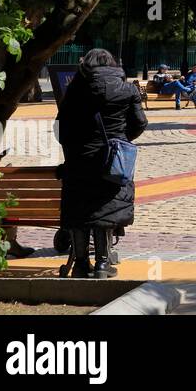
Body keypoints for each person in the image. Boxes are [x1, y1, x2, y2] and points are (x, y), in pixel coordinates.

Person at [55, 48, 147, 278]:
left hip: (79, 160)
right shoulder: (127, 90)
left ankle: (81, 264)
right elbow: (140, 123)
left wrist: (78, 146)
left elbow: (60, 130)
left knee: (79, 210)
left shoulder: (74, 91)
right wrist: (121, 140)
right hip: (112, 160)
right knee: (107, 207)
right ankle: (103, 264)